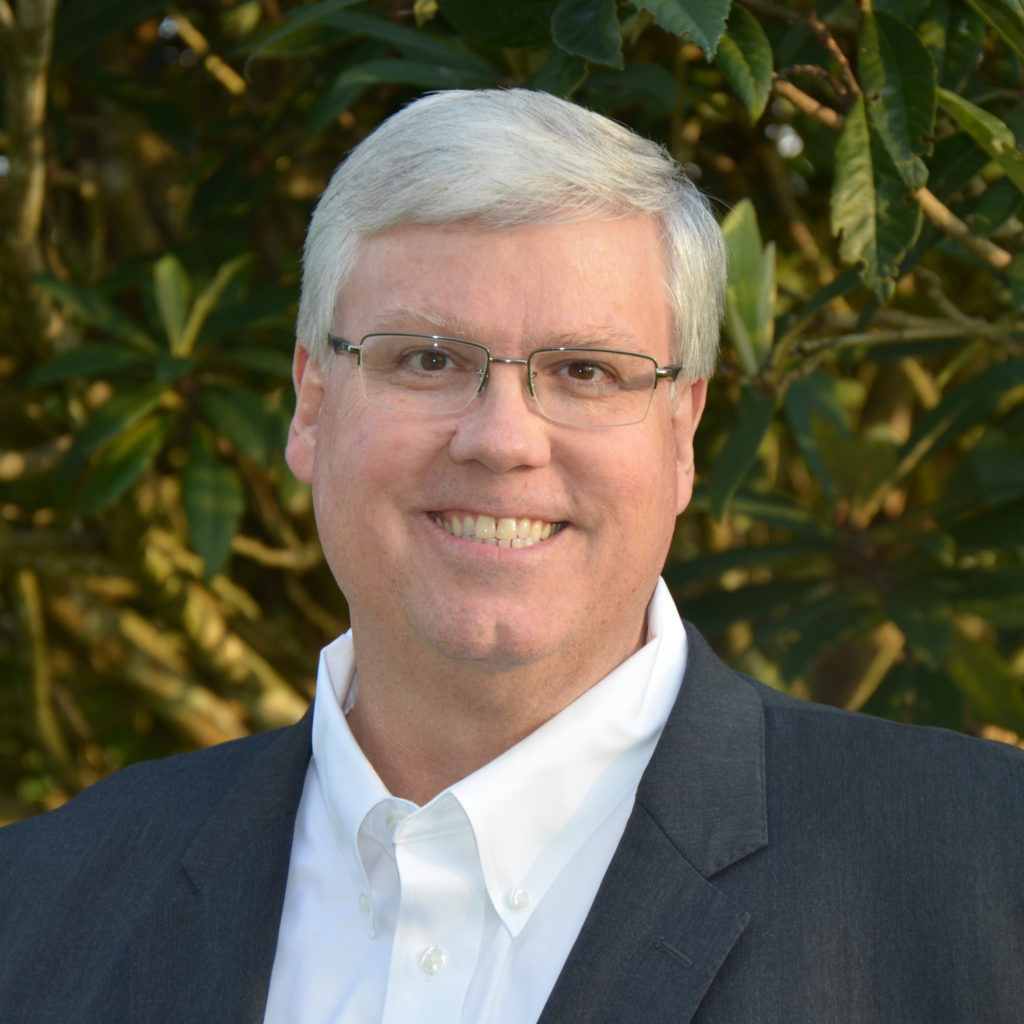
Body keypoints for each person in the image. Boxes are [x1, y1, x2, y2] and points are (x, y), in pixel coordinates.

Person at [1, 88, 1023, 1024]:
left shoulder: (985, 871)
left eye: (585, 371)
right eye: (428, 359)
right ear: (311, 406)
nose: (501, 439)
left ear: (682, 431)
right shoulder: (38, 905)